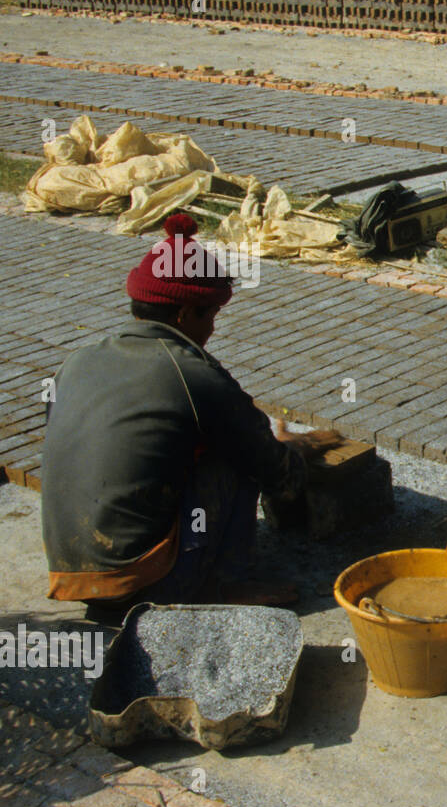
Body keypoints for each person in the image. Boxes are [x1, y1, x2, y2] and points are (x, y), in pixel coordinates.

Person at [41, 214, 335, 615]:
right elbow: (282, 479)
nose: (212, 329)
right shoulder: (195, 376)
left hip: (70, 572)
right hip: (148, 581)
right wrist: (294, 450)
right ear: (183, 315)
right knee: (235, 454)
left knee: (190, 442)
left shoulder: (76, 362)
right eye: (210, 315)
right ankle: (221, 585)